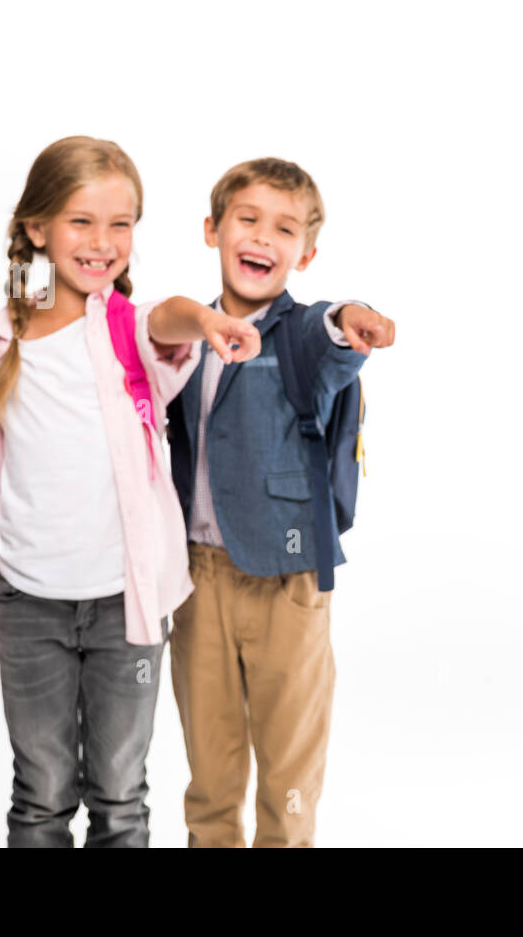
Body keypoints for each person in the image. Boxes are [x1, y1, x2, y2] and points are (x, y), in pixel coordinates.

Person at [0, 135, 261, 847]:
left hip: (122, 607)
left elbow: (164, 316)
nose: (104, 242)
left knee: (120, 796)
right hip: (27, 604)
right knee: (40, 794)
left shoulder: (128, 328)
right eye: (82, 221)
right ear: (37, 227)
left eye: (121, 223)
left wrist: (204, 319)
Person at [166, 157, 396, 847]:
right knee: (210, 777)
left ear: (307, 251)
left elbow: (331, 333)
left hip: (288, 583)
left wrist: (351, 319)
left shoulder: (302, 334)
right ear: (212, 229)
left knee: (288, 782)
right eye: (248, 219)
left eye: (285, 227)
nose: (263, 237)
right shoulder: (184, 337)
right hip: (195, 576)